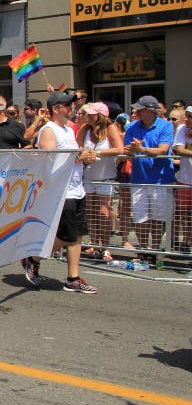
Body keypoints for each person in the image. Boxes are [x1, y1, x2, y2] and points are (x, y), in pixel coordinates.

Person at [21, 92, 100, 293]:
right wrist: (80, 157)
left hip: (76, 188)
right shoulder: (48, 130)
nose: (72, 108)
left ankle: (72, 278)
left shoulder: (67, 130)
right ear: (56, 109)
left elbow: (72, 156)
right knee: (67, 235)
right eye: (67, 105)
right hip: (61, 191)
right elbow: (52, 160)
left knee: (78, 234)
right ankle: (33, 257)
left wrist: (84, 157)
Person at [123, 95, 175, 259]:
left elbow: (163, 149)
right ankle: (144, 249)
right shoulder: (132, 127)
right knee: (140, 217)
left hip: (161, 179)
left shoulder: (166, 126)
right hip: (139, 179)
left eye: (140, 109)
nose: (136, 111)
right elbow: (127, 149)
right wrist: (133, 149)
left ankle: (153, 249)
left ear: (151, 111)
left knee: (158, 217)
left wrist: (141, 149)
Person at [76, 102, 123, 258]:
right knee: (90, 212)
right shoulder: (84, 129)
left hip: (105, 177)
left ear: (100, 115)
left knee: (104, 212)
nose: (88, 116)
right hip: (88, 176)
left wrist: (98, 153)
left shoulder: (110, 128)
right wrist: (84, 156)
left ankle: (106, 246)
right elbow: (78, 149)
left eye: (91, 113)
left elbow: (119, 149)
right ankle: (94, 244)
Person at [172, 106, 192, 253]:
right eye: (186, 116)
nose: (187, 119)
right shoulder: (182, 129)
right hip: (185, 179)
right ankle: (186, 240)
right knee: (184, 213)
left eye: (190, 116)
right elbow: (178, 149)